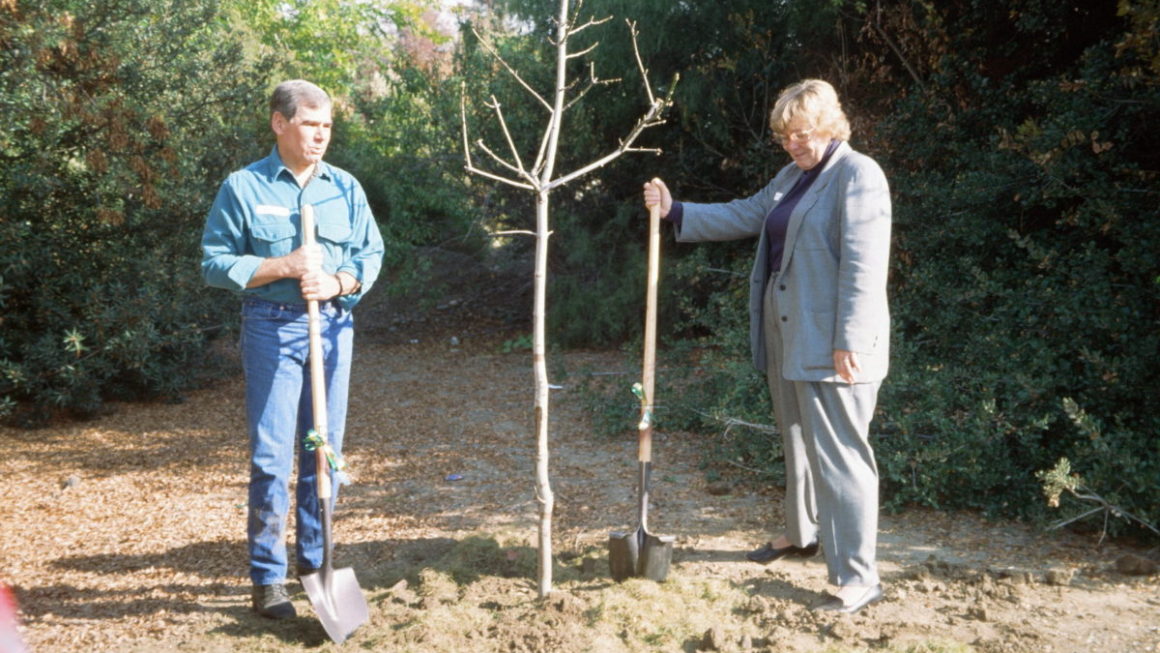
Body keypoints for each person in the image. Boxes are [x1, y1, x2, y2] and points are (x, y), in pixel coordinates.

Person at [642, 79, 891, 614]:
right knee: (797, 442)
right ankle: (802, 534)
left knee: (842, 456)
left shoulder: (858, 175)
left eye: (801, 135)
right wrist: (675, 210)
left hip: (833, 341)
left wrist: (849, 338)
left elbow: (866, 268)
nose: (792, 145)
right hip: (788, 332)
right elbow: (746, 213)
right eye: (784, 137)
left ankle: (859, 576)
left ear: (829, 125)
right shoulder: (792, 176)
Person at [201, 80, 384, 619]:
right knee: (270, 455)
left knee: (322, 450)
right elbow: (213, 262)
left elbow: (370, 252)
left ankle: (315, 565)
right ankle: (267, 579)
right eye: (310, 124)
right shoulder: (244, 187)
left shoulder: (345, 188)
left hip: (331, 328)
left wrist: (339, 283)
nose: (320, 135)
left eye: (327, 126)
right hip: (270, 327)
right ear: (280, 123)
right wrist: (283, 266)